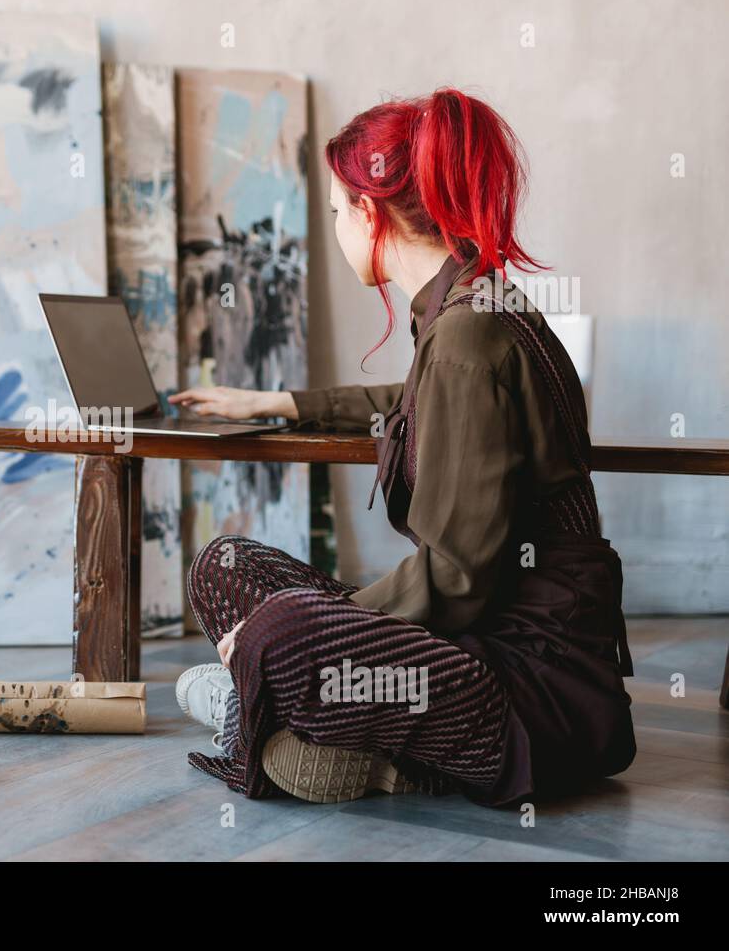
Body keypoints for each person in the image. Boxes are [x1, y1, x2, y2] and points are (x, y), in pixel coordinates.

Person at [170, 88, 635, 806]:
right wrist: (282, 403)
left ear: (369, 211)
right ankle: (292, 713)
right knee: (225, 565)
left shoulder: (468, 334)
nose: (334, 225)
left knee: (282, 633)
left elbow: (454, 579)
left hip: (526, 682)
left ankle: (284, 714)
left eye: (334, 210)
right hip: (473, 644)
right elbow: (408, 401)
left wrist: (294, 634)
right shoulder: (471, 309)